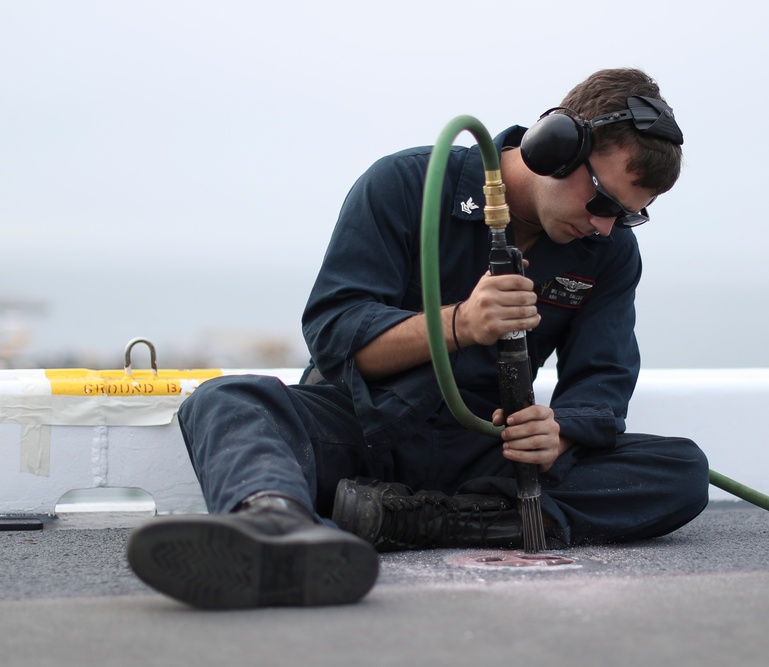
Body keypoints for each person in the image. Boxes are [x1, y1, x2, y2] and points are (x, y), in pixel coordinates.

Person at [126, 67, 710, 609]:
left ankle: (413, 521)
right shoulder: (404, 184)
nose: (606, 225)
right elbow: (335, 335)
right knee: (226, 400)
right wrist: (460, 325)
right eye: (604, 202)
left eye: (629, 216)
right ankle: (274, 527)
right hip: (364, 426)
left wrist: (560, 432)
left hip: (485, 449)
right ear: (555, 147)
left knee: (680, 469)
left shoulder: (608, 254)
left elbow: (602, 384)